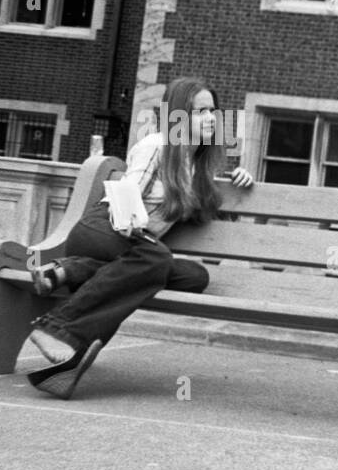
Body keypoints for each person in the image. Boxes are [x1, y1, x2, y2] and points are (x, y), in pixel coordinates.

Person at [25, 77, 255, 398]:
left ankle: (69, 275)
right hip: (104, 229)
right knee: (153, 259)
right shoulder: (157, 146)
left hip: (133, 250)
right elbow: (126, 195)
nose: (211, 118)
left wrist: (232, 179)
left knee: (193, 276)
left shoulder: (196, 164)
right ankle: (57, 327)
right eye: (200, 111)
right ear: (179, 115)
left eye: (213, 111)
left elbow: (206, 210)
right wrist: (137, 234)